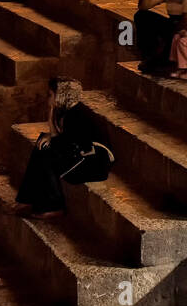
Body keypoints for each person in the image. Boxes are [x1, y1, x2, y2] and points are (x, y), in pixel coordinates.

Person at [11, 79, 114, 217]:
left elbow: (67, 144)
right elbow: (63, 140)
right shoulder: (69, 112)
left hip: (92, 165)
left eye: (50, 95)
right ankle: (26, 199)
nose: (48, 98)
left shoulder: (77, 114)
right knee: (42, 144)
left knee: (46, 155)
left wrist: (51, 124)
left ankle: (54, 206)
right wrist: (50, 132)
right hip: (80, 157)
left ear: (61, 95)